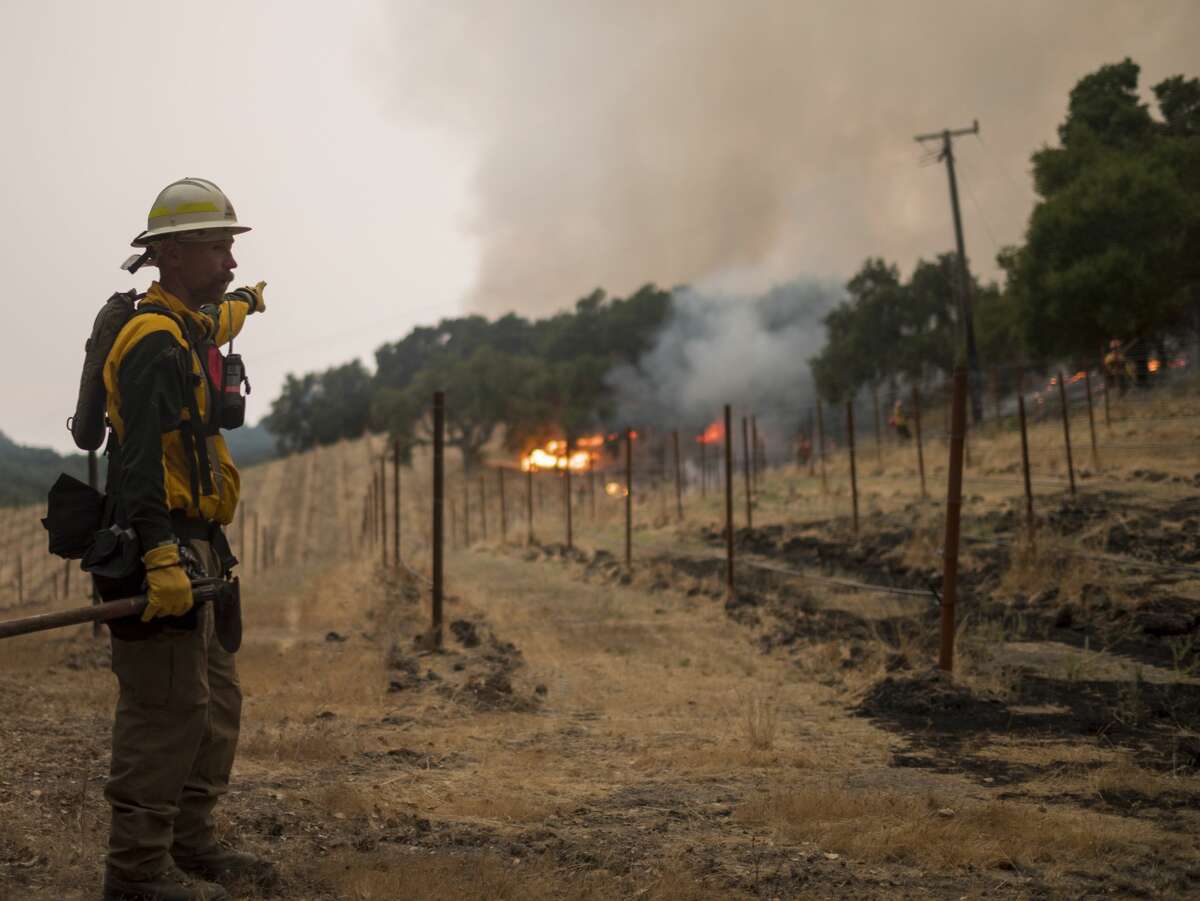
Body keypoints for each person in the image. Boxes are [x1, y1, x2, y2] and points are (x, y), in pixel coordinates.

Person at [100, 178, 274, 901]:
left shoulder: (187, 325)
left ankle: (191, 844)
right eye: (218, 246)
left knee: (214, 705)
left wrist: (244, 307)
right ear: (171, 254)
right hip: (158, 545)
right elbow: (136, 459)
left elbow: (216, 320)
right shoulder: (149, 342)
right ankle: (136, 873)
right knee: (165, 709)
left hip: (201, 546)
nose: (231, 262)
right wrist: (162, 554)